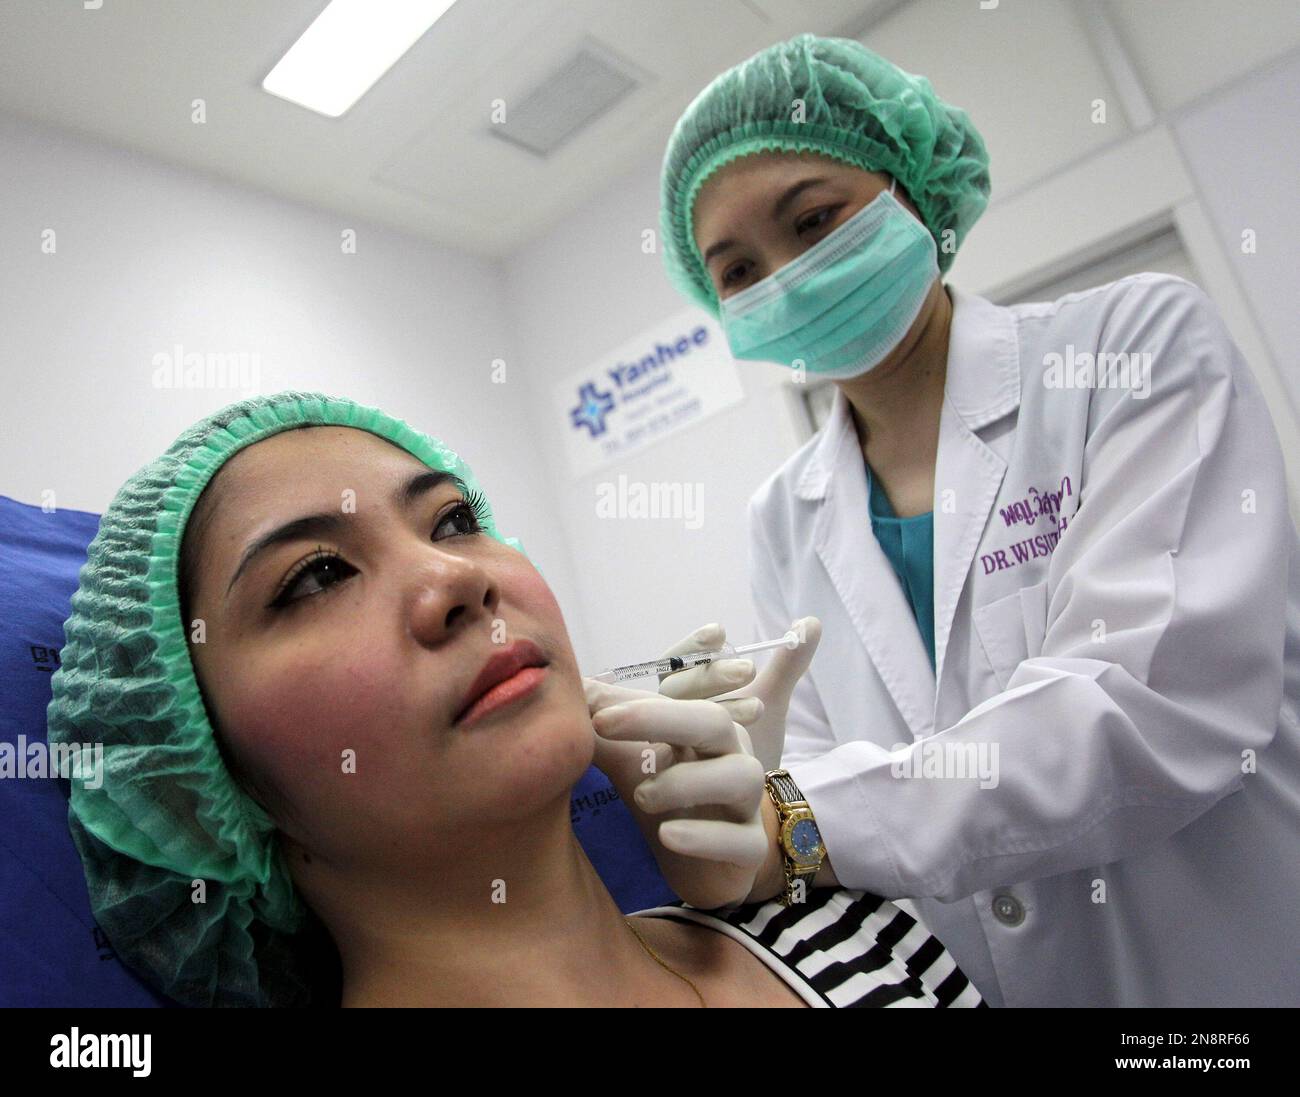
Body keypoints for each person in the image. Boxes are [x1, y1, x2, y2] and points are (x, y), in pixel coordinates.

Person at [652, 32, 1300, 1007]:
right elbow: (829, 777)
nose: (785, 275)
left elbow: (1151, 704)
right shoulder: (784, 517)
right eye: (737, 270)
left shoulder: (1131, 345)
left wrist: (790, 824)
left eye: (815, 218)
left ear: (911, 190)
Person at [45, 391, 985, 1007]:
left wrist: (787, 822)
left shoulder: (839, 925)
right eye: (316, 575)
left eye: (454, 519)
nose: (455, 579)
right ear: (192, 793)